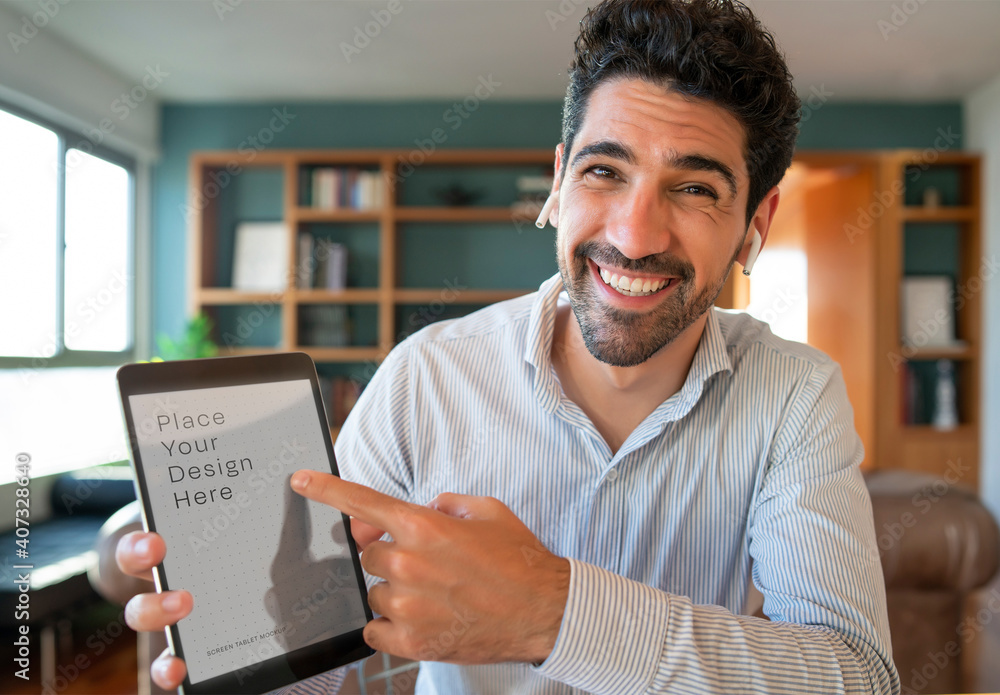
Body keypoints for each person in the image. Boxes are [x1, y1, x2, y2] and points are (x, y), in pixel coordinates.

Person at [118, 0, 900, 693]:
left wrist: (551, 611)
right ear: (559, 185)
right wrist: (229, 659)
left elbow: (856, 676)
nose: (633, 235)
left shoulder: (796, 393)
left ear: (754, 226)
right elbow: (318, 654)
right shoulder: (426, 376)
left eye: (695, 188)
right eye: (604, 171)